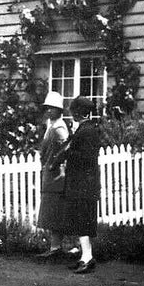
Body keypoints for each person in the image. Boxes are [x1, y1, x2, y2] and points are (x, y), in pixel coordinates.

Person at [50, 96, 101, 274]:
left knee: (83, 221)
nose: (72, 115)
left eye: (74, 112)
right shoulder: (86, 129)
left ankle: (87, 258)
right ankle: (84, 257)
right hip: (83, 183)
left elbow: (85, 157)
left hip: (83, 184)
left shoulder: (87, 131)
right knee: (81, 221)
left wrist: (69, 153)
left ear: (79, 113)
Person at [35, 91, 71, 260]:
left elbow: (67, 147)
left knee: (55, 213)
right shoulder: (52, 125)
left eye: (53, 108)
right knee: (52, 213)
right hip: (50, 177)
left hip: (57, 177)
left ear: (59, 110)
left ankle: (56, 248)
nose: (49, 110)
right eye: (48, 108)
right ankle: (55, 247)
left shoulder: (59, 127)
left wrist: (55, 162)